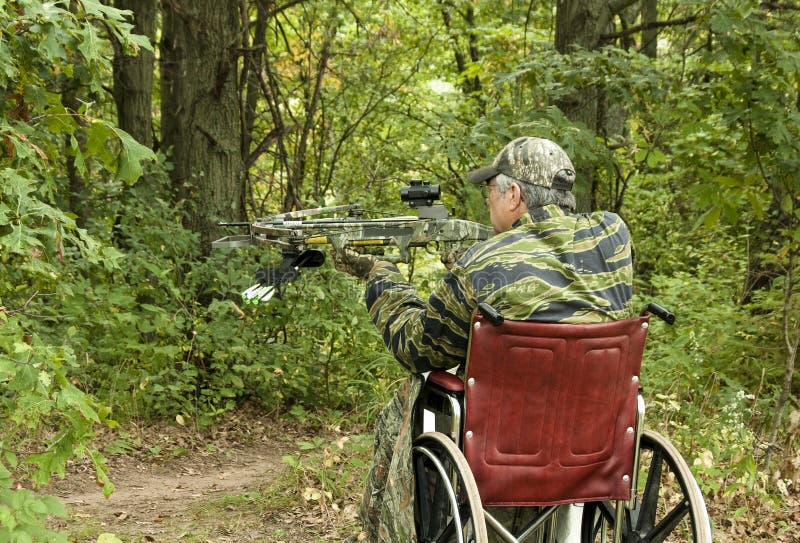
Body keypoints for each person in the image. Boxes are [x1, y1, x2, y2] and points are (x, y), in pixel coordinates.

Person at [334, 136, 635, 542]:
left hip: (505, 454)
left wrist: (380, 275)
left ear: (514, 195)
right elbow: (550, 272)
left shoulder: (482, 264)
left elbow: (417, 348)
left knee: (421, 384)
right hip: (593, 448)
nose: (486, 201)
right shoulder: (613, 237)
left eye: (490, 190)